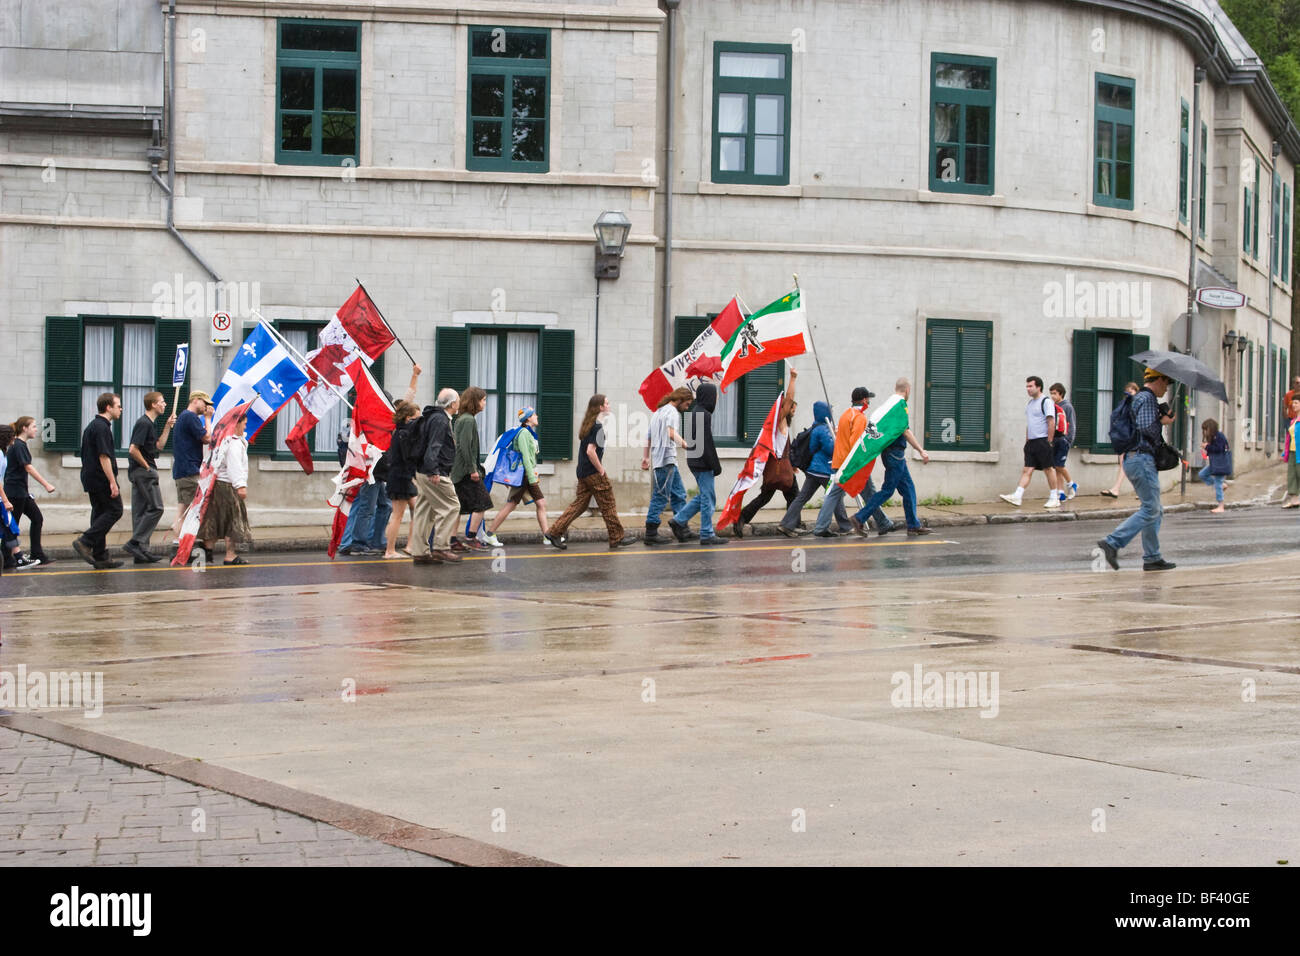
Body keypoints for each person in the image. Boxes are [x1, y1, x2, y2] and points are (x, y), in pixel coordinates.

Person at [1096, 368, 1177, 571]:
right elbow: (1145, 428)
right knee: (1151, 509)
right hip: (1141, 458)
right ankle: (1112, 543)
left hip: (1134, 459)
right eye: (1166, 383)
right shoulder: (1147, 398)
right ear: (1159, 379)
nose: (1166, 388)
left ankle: (1152, 557)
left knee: (1154, 510)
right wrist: (1163, 421)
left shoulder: (1139, 398)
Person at [546, 395, 634, 549]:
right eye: (607, 403)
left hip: (583, 471)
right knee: (608, 504)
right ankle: (616, 537)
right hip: (593, 473)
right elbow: (590, 451)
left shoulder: (588, 424)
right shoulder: (597, 427)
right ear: (600, 407)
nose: (609, 405)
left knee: (579, 505)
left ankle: (554, 532)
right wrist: (601, 470)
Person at [850, 378, 933, 536]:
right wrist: (921, 450)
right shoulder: (900, 406)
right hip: (895, 454)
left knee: (908, 488)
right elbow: (905, 431)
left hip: (893, 453)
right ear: (907, 390)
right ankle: (860, 517)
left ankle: (913, 525)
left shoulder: (889, 404)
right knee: (887, 490)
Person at [815, 386, 897, 538]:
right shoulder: (859, 417)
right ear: (865, 400)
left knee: (864, 493)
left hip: (840, 461)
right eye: (869, 399)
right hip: (852, 464)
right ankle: (820, 527)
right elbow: (856, 444)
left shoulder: (847, 414)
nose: (869, 402)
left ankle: (883, 522)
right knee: (841, 494)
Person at [733, 369, 799, 538]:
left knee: (766, 497)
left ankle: (742, 518)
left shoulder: (777, 425)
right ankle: (791, 524)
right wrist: (792, 378)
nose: (793, 411)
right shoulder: (780, 422)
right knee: (794, 496)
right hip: (781, 469)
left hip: (776, 468)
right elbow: (789, 399)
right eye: (792, 409)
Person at [669, 382, 728, 545]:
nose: (716, 398)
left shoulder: (695, 412)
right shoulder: (704, 414)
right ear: (708, 396)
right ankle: (707, 533)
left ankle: (678, 520)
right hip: (702, 463)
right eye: (715, 394)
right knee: (708, 498)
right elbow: (706, 444)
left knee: (703, 496)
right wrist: (715, 465)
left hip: (694, 460)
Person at [72, 392, 125, 570]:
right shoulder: (101, 427)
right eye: (118, 406)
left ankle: (100, 556)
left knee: (100, 512)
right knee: (115, 510)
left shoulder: (93, 426)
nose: (121, 409)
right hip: (100, 477)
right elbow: (104, 456)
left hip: (90, 476)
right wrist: (112, 481)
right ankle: (85, 541)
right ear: (108, 407)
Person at [410, 388, 462, 565]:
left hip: (422, 470)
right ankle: (441, 547)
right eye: (458, 400)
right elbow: (434, 446)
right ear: (453, 404)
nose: (459, 403)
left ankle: (420, 552)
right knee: (452, 506)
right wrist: (434, 470)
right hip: (433, 471)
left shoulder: (432, 416)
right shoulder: (440, 420)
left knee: (425, 510)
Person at [123, 391, 176, 563]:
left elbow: (159, 446)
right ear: (153, 404)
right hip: (143, 472)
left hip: (140, 472)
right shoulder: (143, 423)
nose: (165, 404)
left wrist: (168, 426)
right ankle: (134, 543)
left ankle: (141, 552)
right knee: (156, 508)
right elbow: (133, 449)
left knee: (141, 511)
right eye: (162, 402)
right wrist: (147, 467)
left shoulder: (150, 425)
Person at [196, 409, 253, 565]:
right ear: (236, 424)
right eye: (244, 424)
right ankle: (230, 554)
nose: (245, 428)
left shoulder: (221, 439)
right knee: (232, 520)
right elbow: (234, 466)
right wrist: (240, 485)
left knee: (214, 518)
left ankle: (207, 550)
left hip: (216, 484)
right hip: (229, 485)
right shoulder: (233, 442)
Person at [486, 408, 550, 542]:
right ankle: (490, 534)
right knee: (511, 505)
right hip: (524, 477)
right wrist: (533, 479)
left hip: (528, 475)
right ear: (528, 419)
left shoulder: (529, 433)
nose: (537, 416)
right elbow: (526, 458)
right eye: (534, 414)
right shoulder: (524, 434)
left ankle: (547, 536)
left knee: (541, 503)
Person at [641, 387, 692, 545]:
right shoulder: (671, 412)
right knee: (661, 496)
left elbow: (648, 437)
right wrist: (685, 444)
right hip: (666, 460)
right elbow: (671, 433)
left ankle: (682, 529)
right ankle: (651, 533)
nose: (687, 407)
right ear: (680, 400)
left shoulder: (658, 413)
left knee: (679, 494)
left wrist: (646, 457)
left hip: (662, 460)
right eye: (687, 404)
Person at [777, 399, 836, 537]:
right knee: (834, 496)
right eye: (830, 410)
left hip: (814, 470)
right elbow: (831, 449)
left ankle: (786, 524)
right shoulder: (823, 429)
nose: (832, 413)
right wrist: (837, 438)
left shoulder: (816, 427)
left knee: (802, 498)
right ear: (825, 412)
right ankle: (843, 525)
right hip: (824, 471)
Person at [999, 375, 1059, 509]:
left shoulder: (1046, 402)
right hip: (1031, 442)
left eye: (1030, 386)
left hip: (1043, 440)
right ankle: (1017, 496)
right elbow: (1030, 423)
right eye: (1027, 386)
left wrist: (1049, 441)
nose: (1028, 389)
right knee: (1027, 469)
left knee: (1048, 469)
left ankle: (1054, 498)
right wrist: (1027, 440)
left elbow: (1051, 422)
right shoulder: (1030, 404)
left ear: (1039, 387)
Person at [5, 416, 55, 566]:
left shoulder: (21, 445)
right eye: (33, 426)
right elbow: (28, 467)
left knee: (36, 518)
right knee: (12, 525)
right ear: (24, 428)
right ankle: (8, 558)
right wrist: (46, 484)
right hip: (15, 492)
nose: (36, 429)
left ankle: (37, 553)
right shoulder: (18, 445)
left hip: (21, 491)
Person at [167, 390, 212, 545]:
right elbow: (207, 438)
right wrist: (208, 419)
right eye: (205, 403)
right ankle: (184, 544)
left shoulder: (184, 417)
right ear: (196, 400)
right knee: (193, 511)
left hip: (182, 470)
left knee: (182, 510)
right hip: (189, 470)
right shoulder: (190, 417)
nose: (206, 407)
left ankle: (177, 543)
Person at [450, 386, 493, 552]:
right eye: (483, 400)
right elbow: (465, 447)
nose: (484, 403)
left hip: (460, 471)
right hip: (466, 471)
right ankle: (471, 538)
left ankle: (453, 540)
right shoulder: (468, 420)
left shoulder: (462, 418)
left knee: (458, 507)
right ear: (475, 401)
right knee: (482, 503)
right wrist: (472, 470)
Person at [381, 400, 422, 558]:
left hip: (402, 476)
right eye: (415, 419)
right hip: (401, 477)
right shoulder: (403, 433)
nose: (417, 422)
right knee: (397, 515)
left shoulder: (401, 432)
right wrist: (413, 475)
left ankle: (410, 546)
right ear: (407, 418)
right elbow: (408, 457)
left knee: (418, 511)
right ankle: (389, 551)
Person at [0, 424, 41, 571]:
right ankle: (18, 559)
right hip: (5, 496)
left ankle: (17, 559)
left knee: (8, 528)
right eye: (12, 435)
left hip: (7, 495)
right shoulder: (0, 454)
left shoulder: (4, 452)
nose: (14, 438)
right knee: (9, 527)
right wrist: (5, 500)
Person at [1100, 382, 1140, 498]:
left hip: (1130, 439)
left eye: (1132, 391)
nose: (1129, 393)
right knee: (1126, 465)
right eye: (1128, 390)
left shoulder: (1134, 404)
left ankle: (1118, 489)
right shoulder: (1123, 404)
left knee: (1129, 465)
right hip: (1124, 438)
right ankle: (1119, 489)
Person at [1049, 383, 1077, 501]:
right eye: (1051, 393)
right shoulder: (1053, 406)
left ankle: (1071, 483)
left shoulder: (1067, 407)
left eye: (1054, 393)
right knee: (1056, 466)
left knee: (1059, 465)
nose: (1052, 396)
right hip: (1055, 440)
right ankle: (1060, 492)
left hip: (1063, 440)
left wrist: (1068, 440)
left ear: (1061, 393)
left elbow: (1072, 425)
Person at [1198, 418, 1229, 515]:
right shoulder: (1214, 437)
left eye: (1205, 429)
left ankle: (1221, 506)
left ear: (1210, 428)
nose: (1204, 432)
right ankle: (1221, 485)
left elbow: (1219, 449)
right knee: (1202, 474)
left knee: (1218, 482)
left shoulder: (1219, 436)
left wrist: (1207, 446)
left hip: (1220, 464)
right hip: (1214, 463)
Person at [1281, 394, 1300, 509]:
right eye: (1293, 403)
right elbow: (1289, 438)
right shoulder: (1293, 421)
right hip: (1293, 452)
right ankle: (1294, 499)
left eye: (1296, 403)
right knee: (1292, 475)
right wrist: (1285, 453)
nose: (1293, 405)